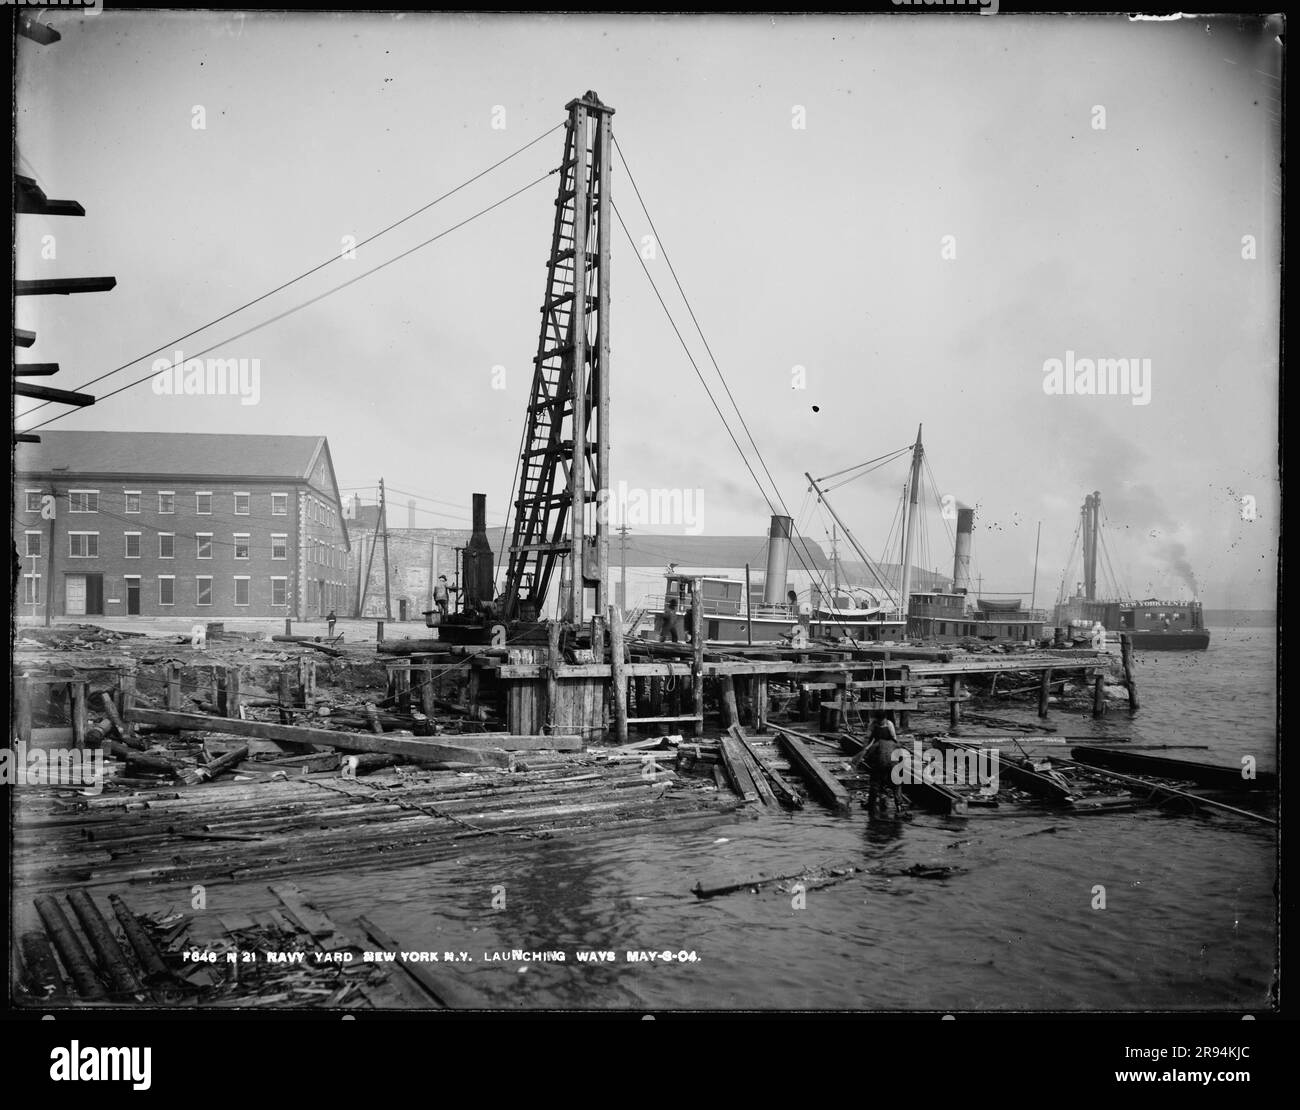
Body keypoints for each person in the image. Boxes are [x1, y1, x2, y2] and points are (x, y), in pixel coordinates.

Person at [852, 710, 906, 815]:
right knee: (896, 784)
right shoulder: (895, 745)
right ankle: (899, 805)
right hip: (893, 762)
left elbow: (869, 754)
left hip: (880, 761)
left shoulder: (879, 741)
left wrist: (865, 756)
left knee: (875, 782)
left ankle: (871, 804)